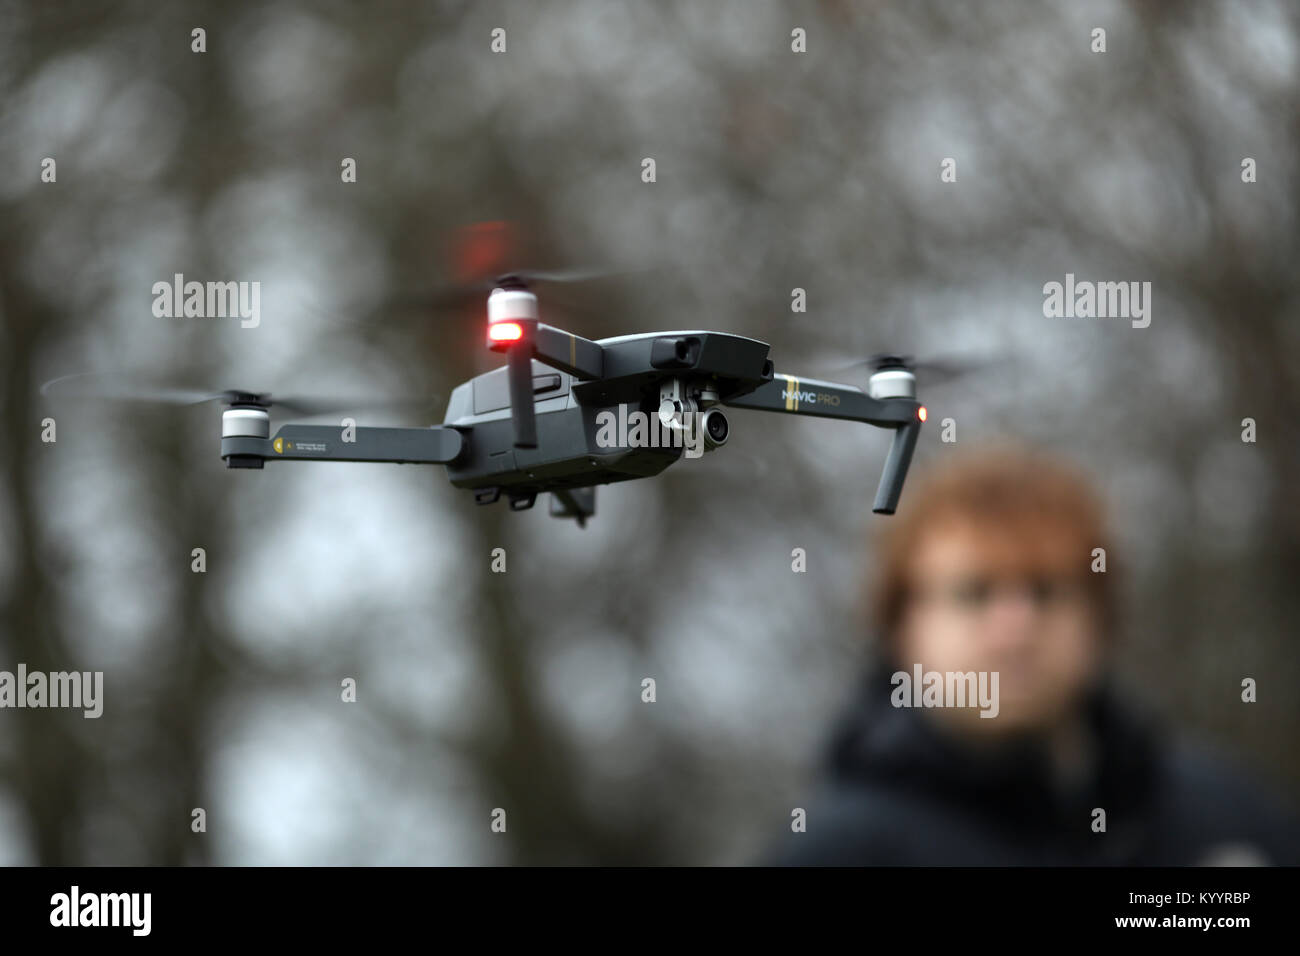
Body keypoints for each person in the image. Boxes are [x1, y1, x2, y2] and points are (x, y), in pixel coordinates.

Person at [768, 444, 1300, 865]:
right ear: (901, 624)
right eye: (974, 593)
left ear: (1100, 614)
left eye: (1046, 591)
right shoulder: (839, 851)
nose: (1015, 630)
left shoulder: (1226, 820)